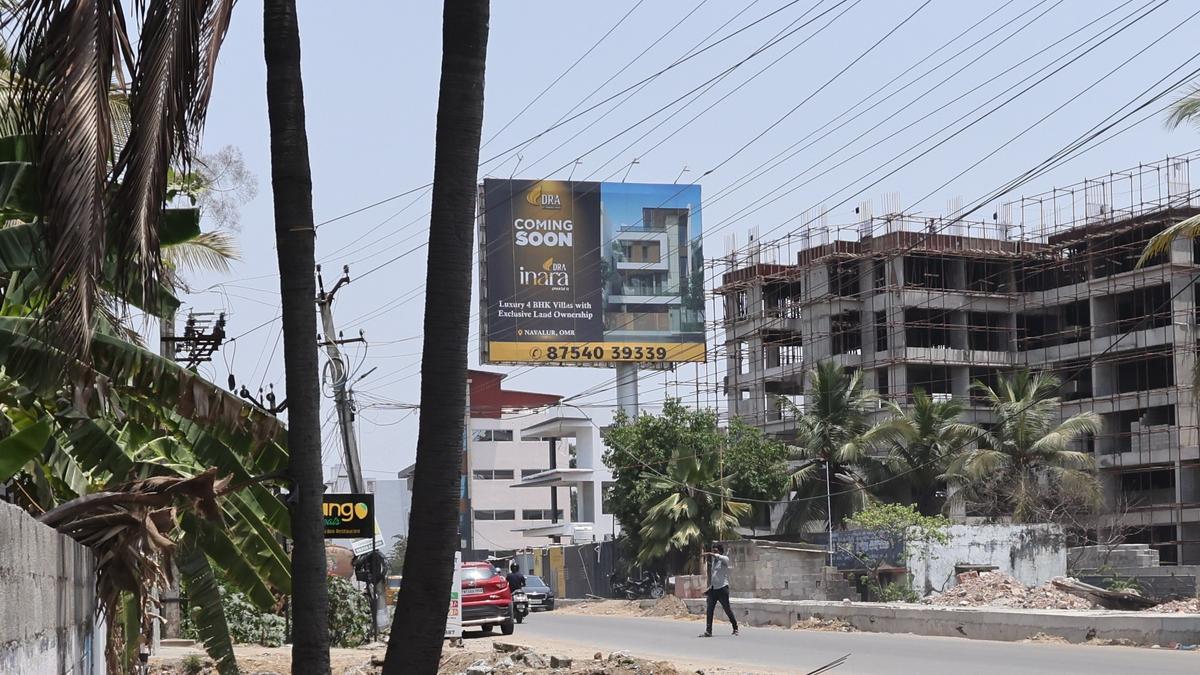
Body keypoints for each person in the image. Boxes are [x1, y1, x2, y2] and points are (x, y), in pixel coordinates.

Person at [699, 544, 739, 637]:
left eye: (716, 551)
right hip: (713, 590)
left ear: (720, 552)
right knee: (709, 610)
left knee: (727, 609)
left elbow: (718, 557)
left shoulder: (725, 559)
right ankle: (708, 631)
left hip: (722, 589)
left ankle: (735, 627)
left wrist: (709, 553)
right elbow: (714, 577)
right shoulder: (714, 562)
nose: (714, 553)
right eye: (713, 551)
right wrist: (709, 589)